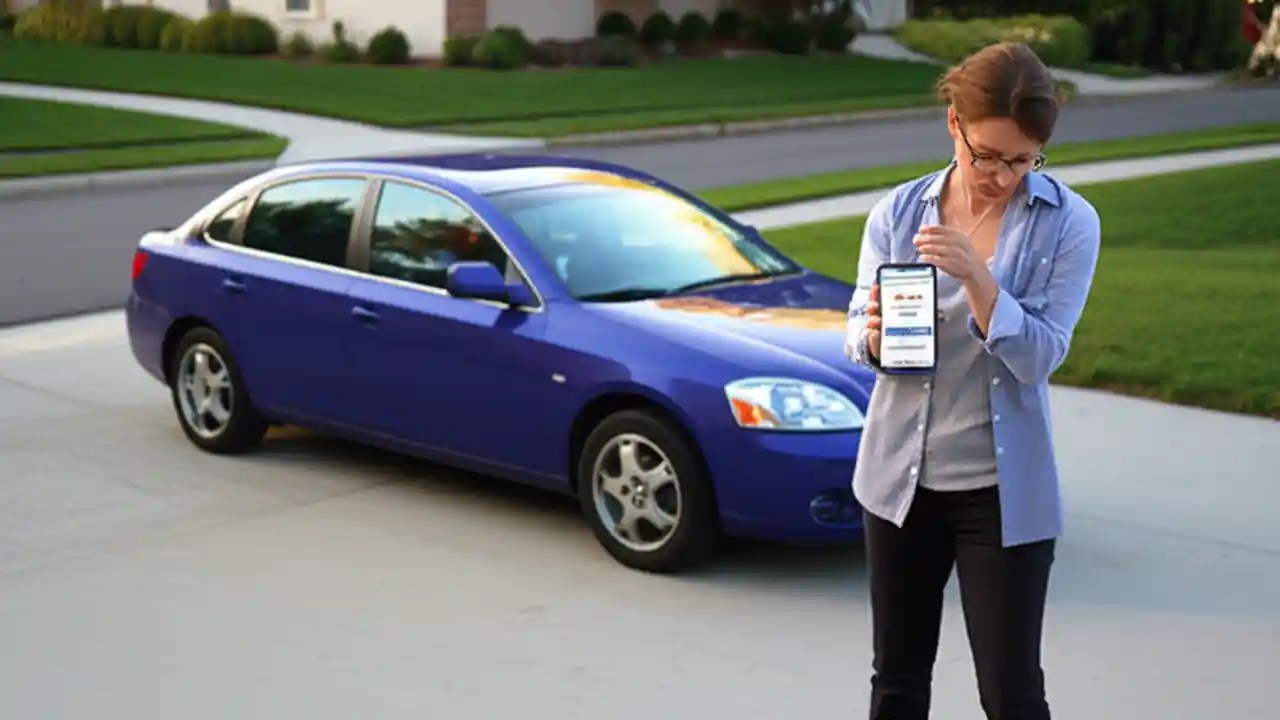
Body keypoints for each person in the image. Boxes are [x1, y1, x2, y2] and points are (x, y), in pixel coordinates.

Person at [843, 41, 1101, 720]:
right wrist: (870, 335)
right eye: (988, 155)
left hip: (1002, 495)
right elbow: (854, 331)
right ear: (954, 125)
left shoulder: (1069, 223)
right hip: (899, 483)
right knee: (896, 681)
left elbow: (1042, 355)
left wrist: (980, 280)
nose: (1003, 176)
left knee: (1011, 693)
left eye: (1024, 160)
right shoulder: (899, 214)